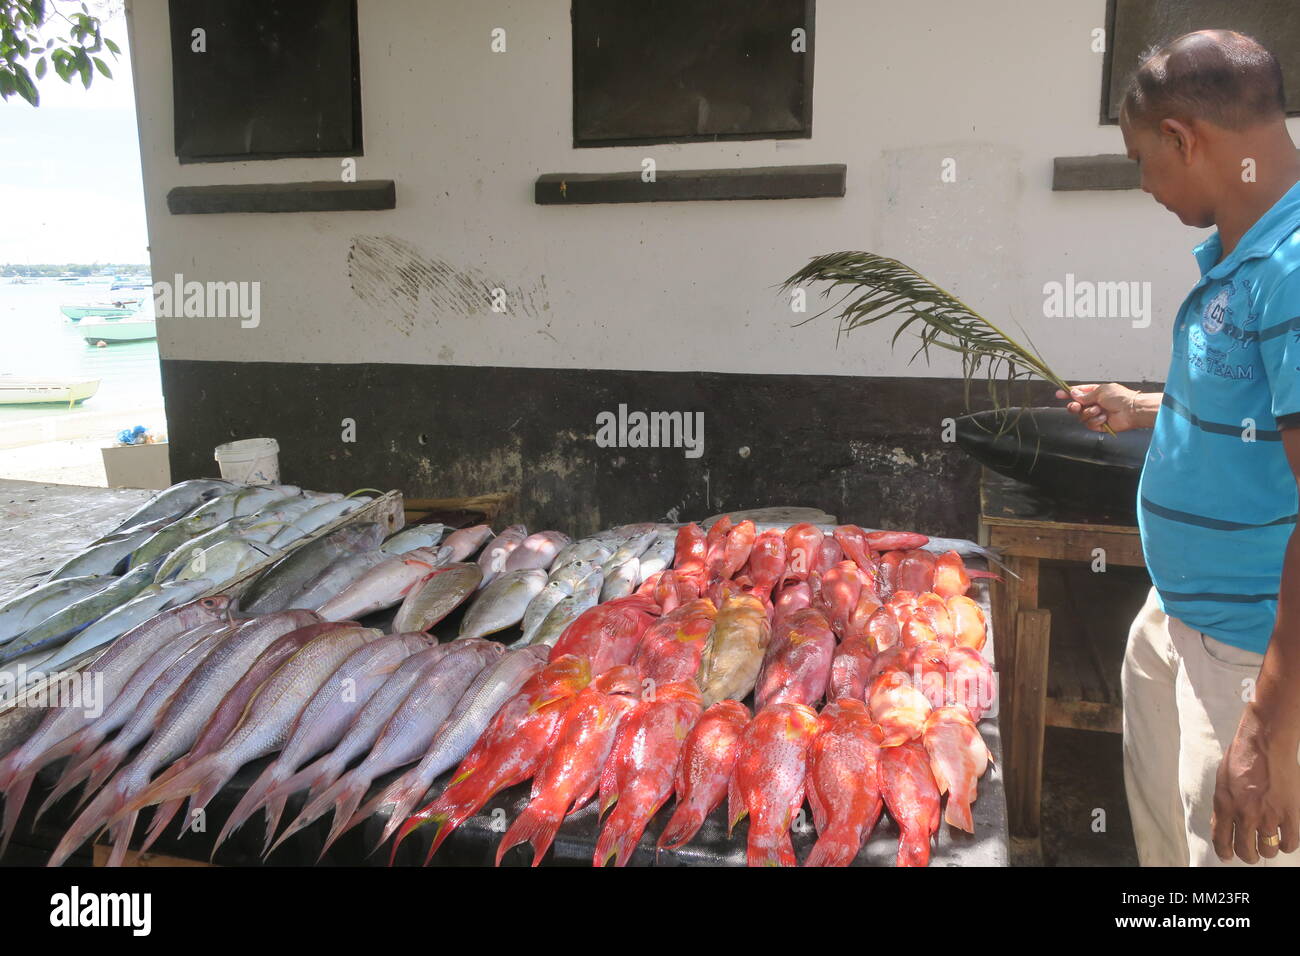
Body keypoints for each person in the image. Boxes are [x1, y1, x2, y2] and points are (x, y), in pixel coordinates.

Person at [1059, 29, 1300, 866]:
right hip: (1177, 616)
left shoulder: (1294, 269)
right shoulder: (1245, 250)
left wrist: (1269, 721)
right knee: (1172, 858)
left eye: (1137, 158)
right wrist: (1142, 408)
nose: (1144, 182)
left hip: (1251, 656)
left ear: (1181, 138)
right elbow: (1258, 411)